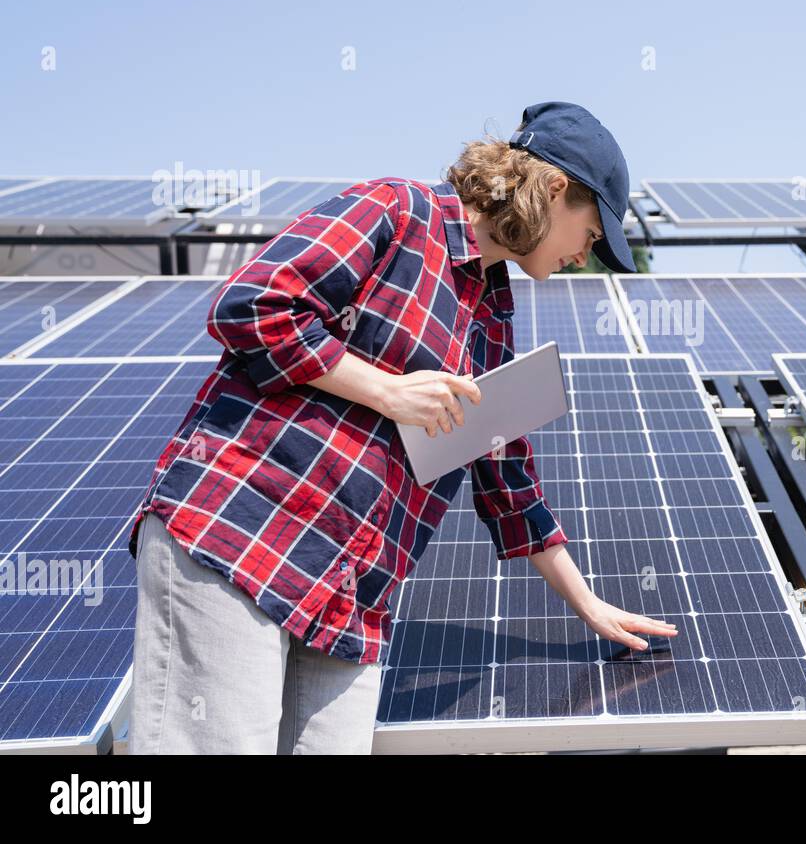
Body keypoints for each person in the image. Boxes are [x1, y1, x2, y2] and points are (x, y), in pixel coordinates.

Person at [127, 101, 677, 754]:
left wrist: (588, 603)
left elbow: (505, 474)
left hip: (350, 595)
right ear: (556, 189)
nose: (585, 258)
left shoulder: (493, 314)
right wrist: (387, 391)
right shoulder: (397, 211)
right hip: (245, 536)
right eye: (591, 235)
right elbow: (254, 304)